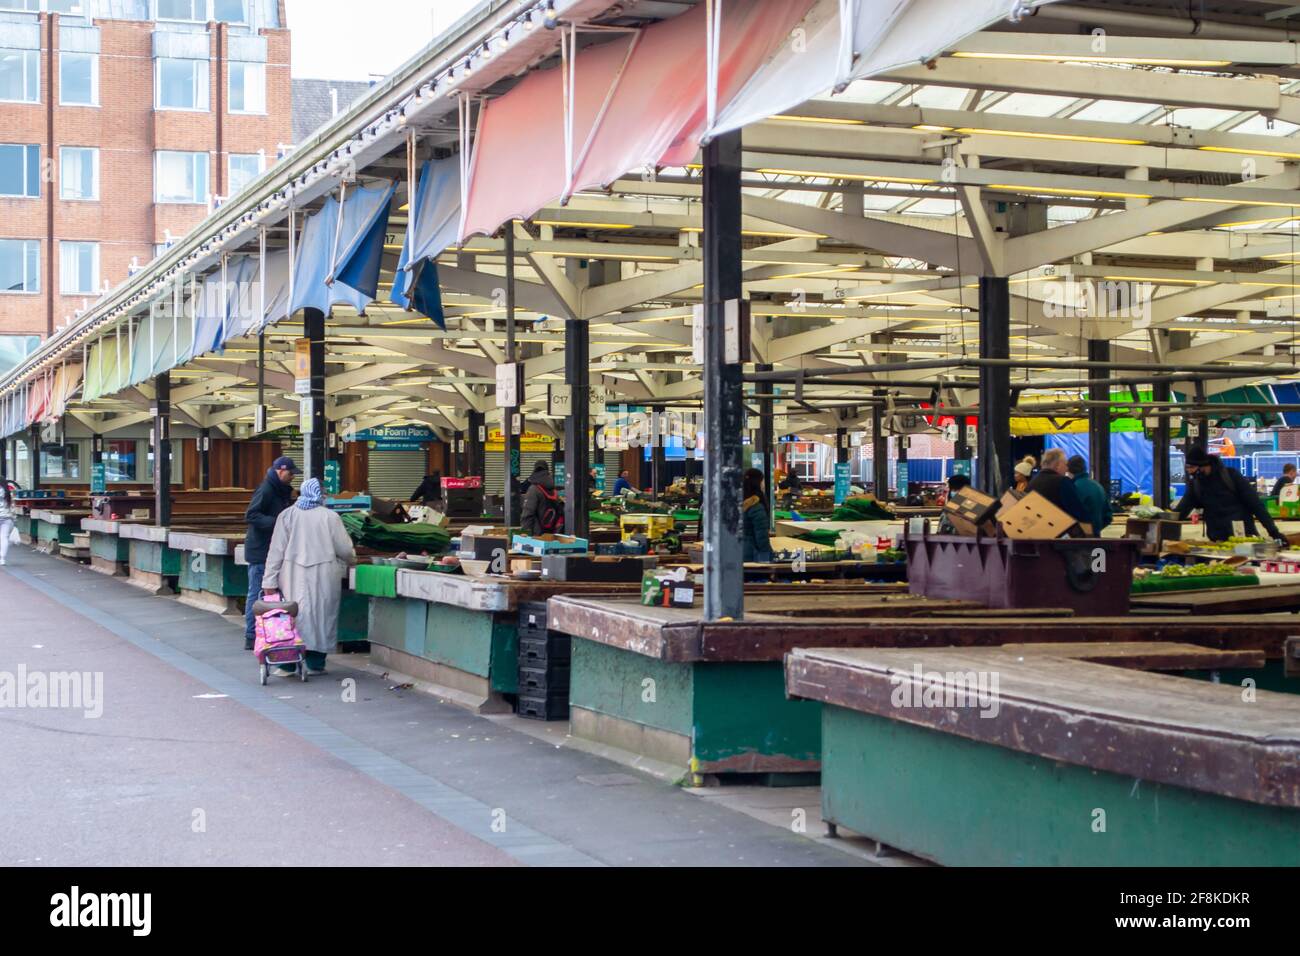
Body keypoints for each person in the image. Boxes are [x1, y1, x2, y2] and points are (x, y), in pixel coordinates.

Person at [261, 478, 357, 676]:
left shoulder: (287, 516)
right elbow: (345, 549)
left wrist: (269, 581)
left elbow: (275, 551)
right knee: (322, 618)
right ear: (320, 494)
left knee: (290, 618)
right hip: (324, 575)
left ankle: (286, 663)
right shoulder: (330, 517)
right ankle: (315, 664)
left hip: (291, 576)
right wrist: (352, 561)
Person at [243, 456, 297, 651]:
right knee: (258, 592)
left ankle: (268, 633)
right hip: (261, 550)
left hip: (270, 549)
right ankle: (252, 635)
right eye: (291, 473)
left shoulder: (280, 490)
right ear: (280, 471)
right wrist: (278, 523)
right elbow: (251, 515)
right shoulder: (267, 489)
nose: (292, 477)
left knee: (267, 594)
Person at [1177, 447, 1285, 543]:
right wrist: (1166, 522)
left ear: (1203, 466)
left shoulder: (1231, 476)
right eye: (1187, 467)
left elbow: (1255, 505)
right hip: (1217, 539)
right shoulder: (1196, 484)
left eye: (1191, 467)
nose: (1189, 471)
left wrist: (1274, 532)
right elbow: (1181, 510)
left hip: (1244, 537)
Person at [1026, 449, 1093, 527]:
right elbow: (1078, 512)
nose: (1067, 468)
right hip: (1057, 533)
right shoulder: (1062, 482)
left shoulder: (1032, 483)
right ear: (1058, 465)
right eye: (1065, 464)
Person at [1067, 455, 1112, 534]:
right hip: (1096, 536)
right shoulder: (1098, 486)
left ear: (1069, 470)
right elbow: (1108, 516)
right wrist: (1096, 529)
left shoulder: (1073, 488)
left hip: (1079, 539)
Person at [520, 461, 564, 536]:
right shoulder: (553, 490)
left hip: (537, 536)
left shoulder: (534, 489)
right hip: (552, 534)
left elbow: (528, 513)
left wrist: (525, 533)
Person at [742, 467, 774, 563]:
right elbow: (761, 538)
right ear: (757, 483)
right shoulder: (755, 507)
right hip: (750, 556)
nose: (763, 485)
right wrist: (770, 557)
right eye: (762, 481)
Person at [0, 479, 15, 567]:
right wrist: (14, 519)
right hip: (7, 517)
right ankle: (2, 559)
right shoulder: (8, 493)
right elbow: (13, 506)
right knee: (4, 537)